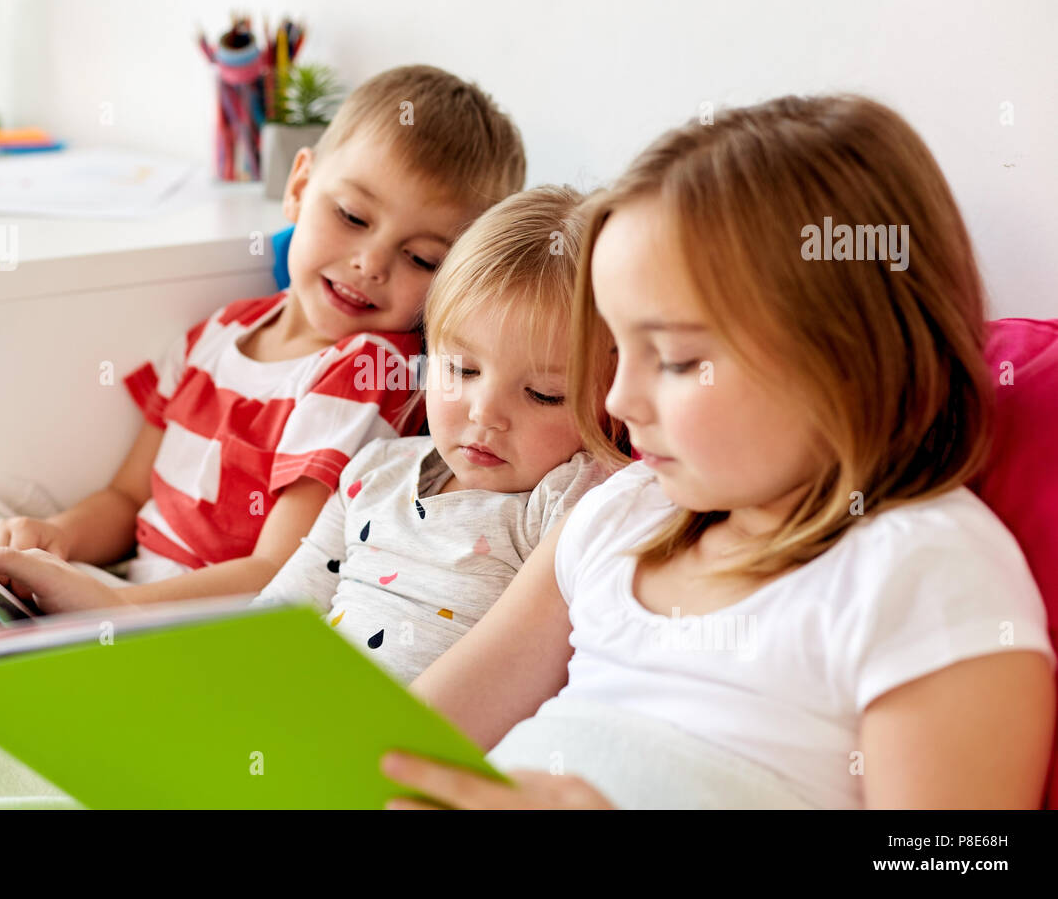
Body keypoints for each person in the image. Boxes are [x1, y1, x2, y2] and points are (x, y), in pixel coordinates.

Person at [383, 95, 1056, 809]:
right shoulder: (617, 518)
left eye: (672, 359)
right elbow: (397, 753)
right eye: (619, 348)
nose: (616, 403)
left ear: (843, 361)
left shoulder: (920, 572)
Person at [0, 65, 526, 611]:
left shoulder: (368, 370)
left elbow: (277, 572)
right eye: (353, 216)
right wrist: (55, 537)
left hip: (212, 627)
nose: (370, 264)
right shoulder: (221, 330)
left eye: (421, 258)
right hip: (129, 599)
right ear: (300, 187)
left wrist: (111, 606)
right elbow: (127, 500)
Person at [253, 186, 612, 682]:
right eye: (462, 369)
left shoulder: (567, 501)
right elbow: (285, 605)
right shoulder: (373, 471)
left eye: (544, 395)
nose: (485, 414)